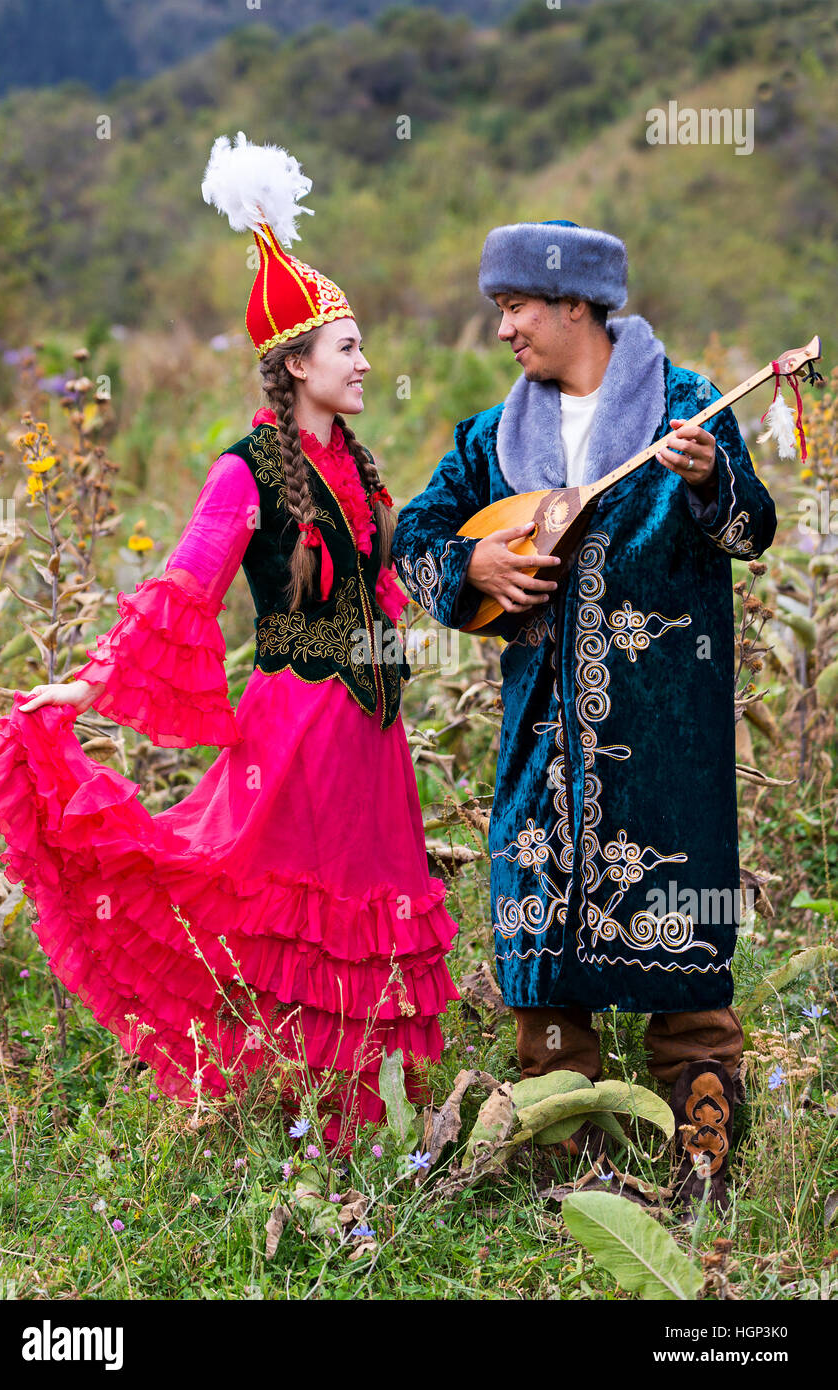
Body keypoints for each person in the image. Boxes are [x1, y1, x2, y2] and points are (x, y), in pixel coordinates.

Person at [0, 133, 459, 1149]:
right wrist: (87, 686)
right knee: (282, 910)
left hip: (372, 736)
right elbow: (185, 587)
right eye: (348, 348)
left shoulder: (364, 473)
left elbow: (392, 587)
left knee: (365, 906)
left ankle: (356, 1126)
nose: (367, 362)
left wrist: (498, 551)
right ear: (294, 366)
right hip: (293, 729)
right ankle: (294, 1112)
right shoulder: (241, 472)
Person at [391, 218, 777, 1210]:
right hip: (540, 747)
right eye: (499, 309)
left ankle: (704, 1175)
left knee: (684, 967)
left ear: (575, 306)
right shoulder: (489, 438)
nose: (505, 328)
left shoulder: (688, 408)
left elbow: (751, 528)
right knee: (544, 968)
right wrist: (473, 562)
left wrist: (708, 481)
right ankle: (563, 1170)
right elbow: (419, 536)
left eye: (517, 306)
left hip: (666, 748)